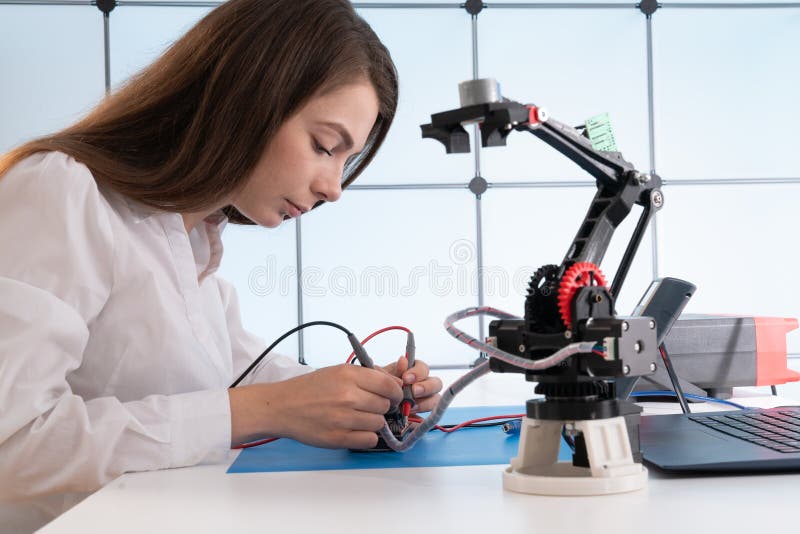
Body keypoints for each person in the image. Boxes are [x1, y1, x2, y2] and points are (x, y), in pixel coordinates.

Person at [0, 0, 442, 530]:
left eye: (346, 161)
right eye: (325, 146)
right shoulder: (62, 191)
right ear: (247, 100)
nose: (333, 188)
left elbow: (238, 371)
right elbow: (12, 442)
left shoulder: (191, 239)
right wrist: (263, 409)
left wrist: (361, 398)